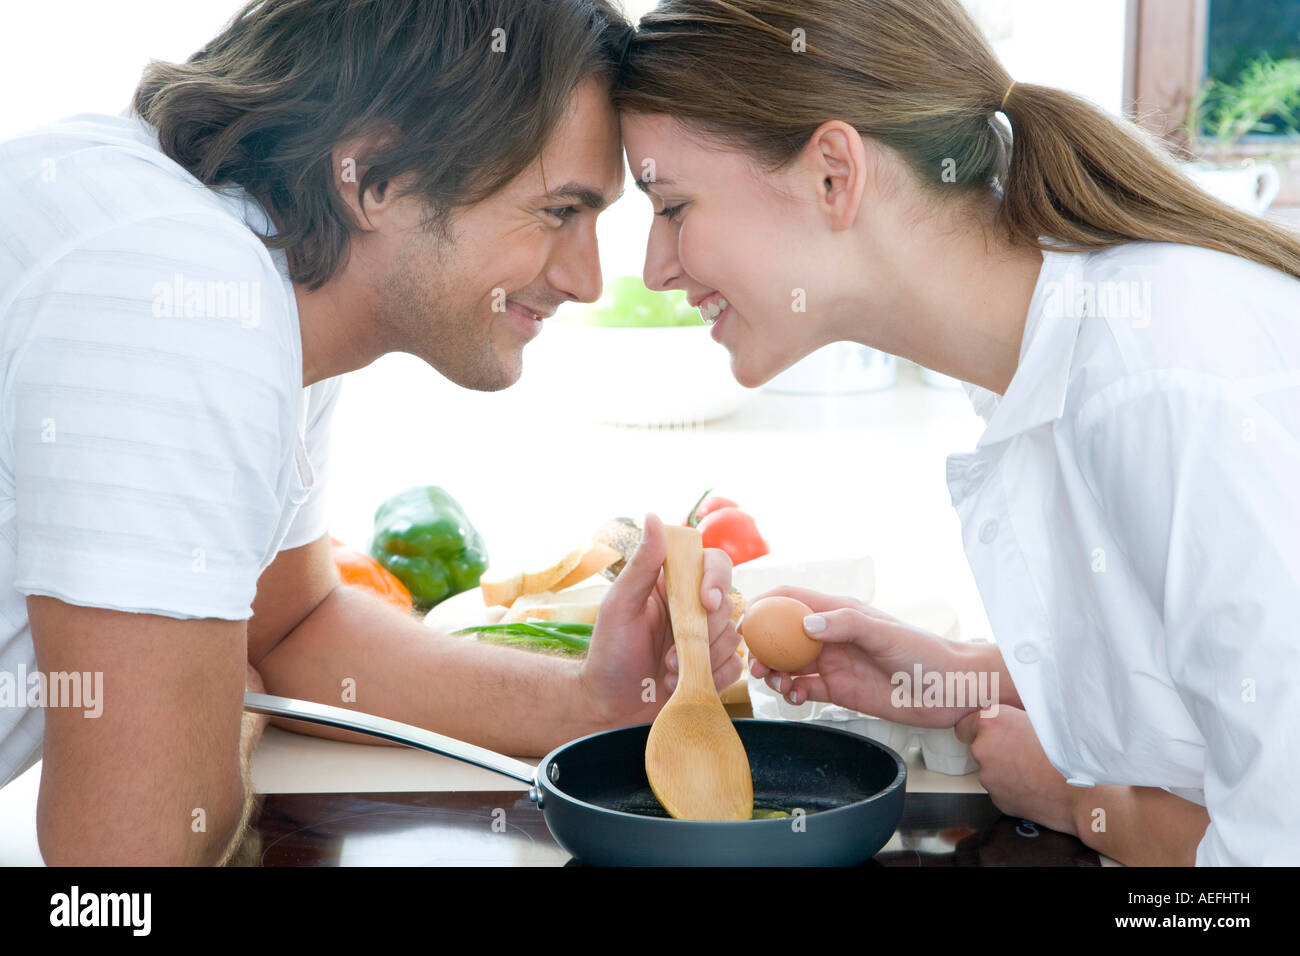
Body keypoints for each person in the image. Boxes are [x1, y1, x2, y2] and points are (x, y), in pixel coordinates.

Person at [0, 0, 741, 865]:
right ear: (373, 176)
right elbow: (129, 862)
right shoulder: (181, 296)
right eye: (557, 213)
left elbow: (289, 628)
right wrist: (223, 702)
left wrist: (593, 702)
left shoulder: (249, 270)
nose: (586, 279)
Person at [614, 0, 1300, 866]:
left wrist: (1081, 802)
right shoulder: (1059, 363)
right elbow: (1201, 681)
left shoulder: (1160, 377)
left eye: (671, 205)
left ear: (834, 174)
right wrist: (951, 674)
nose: (653, 267)